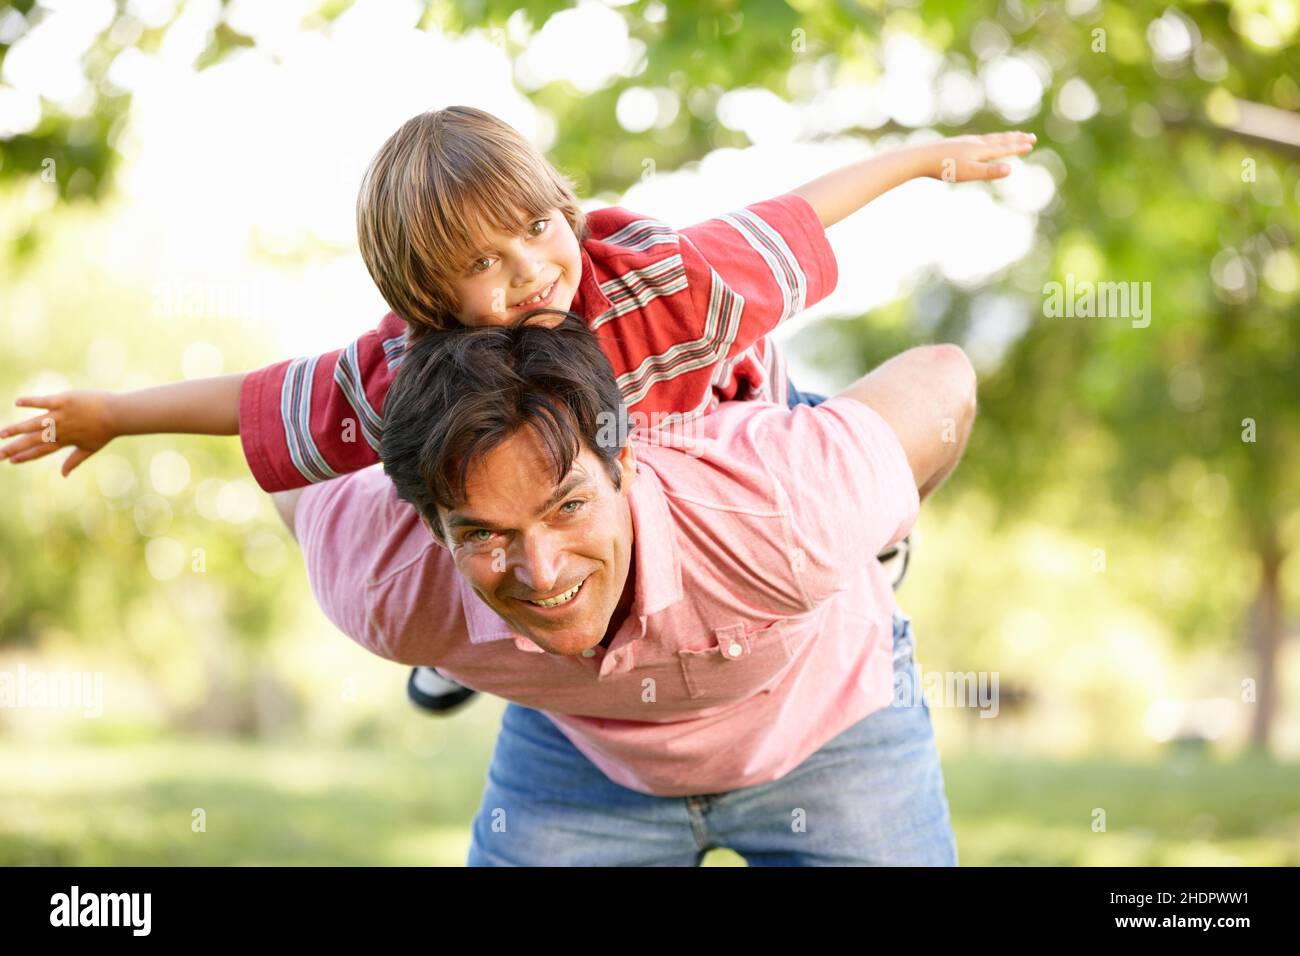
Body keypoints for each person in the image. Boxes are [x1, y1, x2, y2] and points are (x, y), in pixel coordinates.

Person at [0, 106, 1032, 716]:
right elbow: (267, 399)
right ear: (425, 301)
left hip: (729, 411)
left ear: (564, 210)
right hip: (585, 491)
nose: (532, 270)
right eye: (481, 266)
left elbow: (798, 213)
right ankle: (467, 668)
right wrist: (112, 414)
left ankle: (867, 552)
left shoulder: (660, 282)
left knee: (821, 461)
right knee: (489, 529)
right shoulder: (406, 367)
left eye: (537, 228)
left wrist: (925, 158)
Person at [271, 313, 976, 865]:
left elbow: (945, 378)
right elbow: (284, 459)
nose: (541, 571)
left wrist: (877, 525)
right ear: (432, 526)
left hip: (830, 722)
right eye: (485, 534)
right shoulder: (385, 582)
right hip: (582, 751)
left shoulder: (786, 507)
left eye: (567, 507)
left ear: (624, 466)